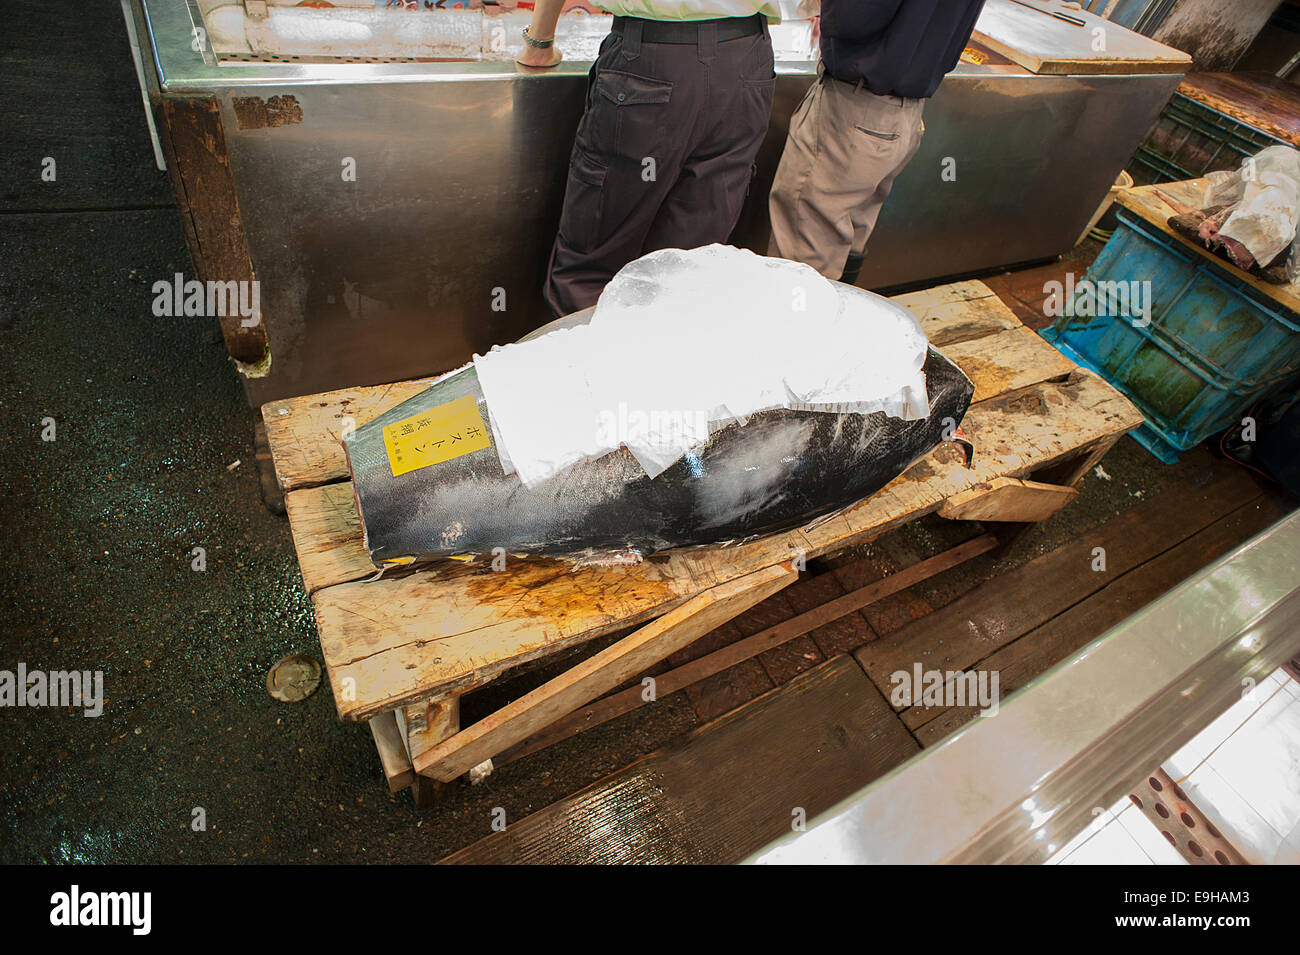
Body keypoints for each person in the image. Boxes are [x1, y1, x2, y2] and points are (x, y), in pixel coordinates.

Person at [519, 0, 781, 317]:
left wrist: (539, 42)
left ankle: (587, 364)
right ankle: (661, 361)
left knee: (593, 268)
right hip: (744, 60)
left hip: (650, 58)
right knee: (686, 264)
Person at [768, 0, 987, 284]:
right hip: (904, 117)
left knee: (804, 258)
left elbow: (853, 18)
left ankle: (798, 325)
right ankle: (836, 321)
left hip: (855, 111)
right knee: (851, 238)